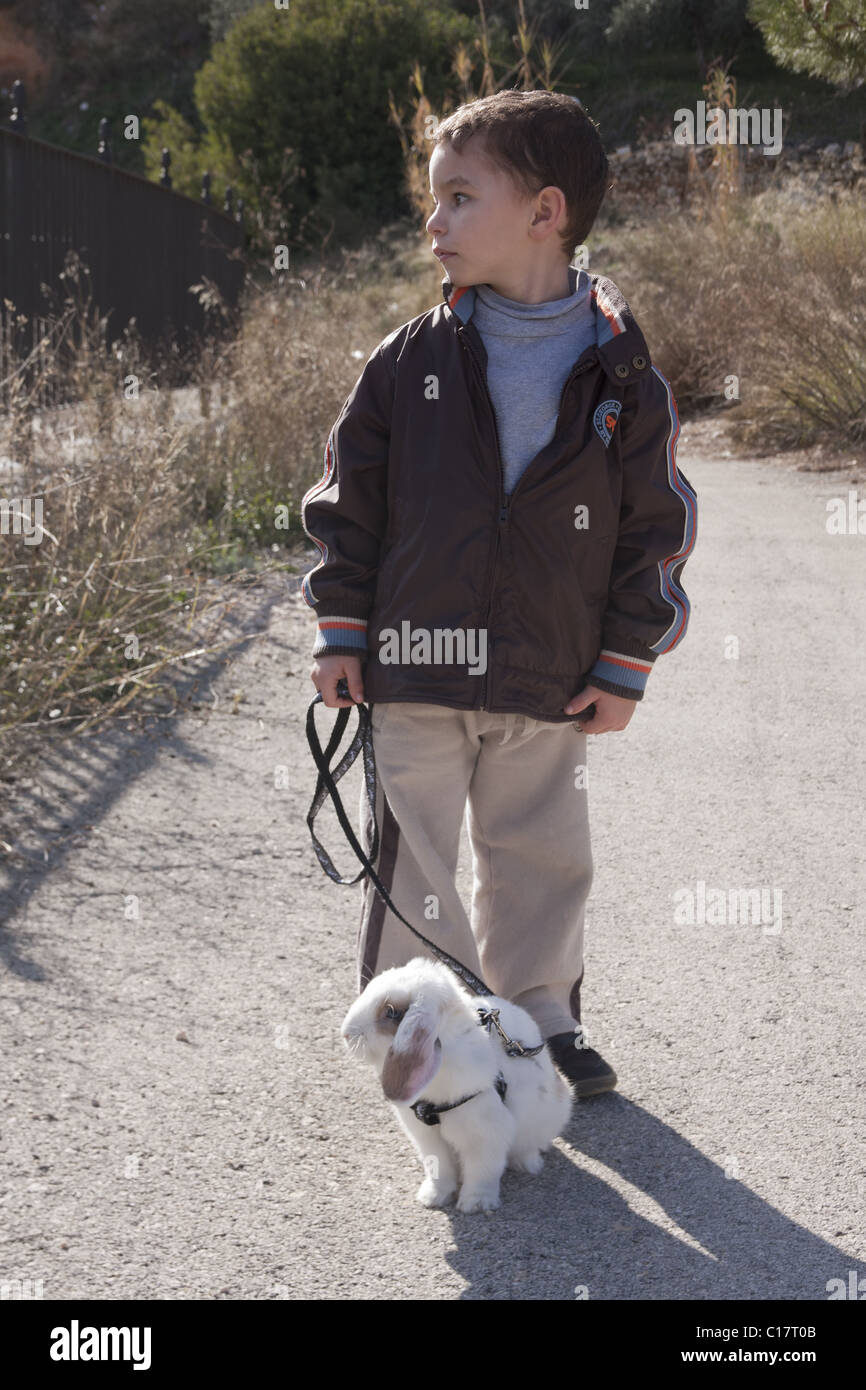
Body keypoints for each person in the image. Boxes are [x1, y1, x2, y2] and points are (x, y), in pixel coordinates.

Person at [300, 89, 697, 1097]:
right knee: (417, 858)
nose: (431, 223)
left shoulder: (621, 371)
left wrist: (624, 659)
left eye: (456, 198)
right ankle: (420, 1028)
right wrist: (341, 631)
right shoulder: (407, 360)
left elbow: (654, 527)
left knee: (539, 851)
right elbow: (350, 497)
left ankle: (537, 1025)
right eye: (431, 201)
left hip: (548, 671)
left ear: (544, 211)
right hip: (415, 667)